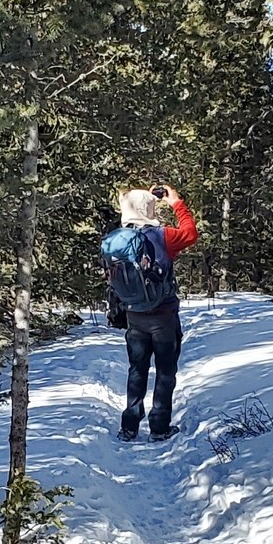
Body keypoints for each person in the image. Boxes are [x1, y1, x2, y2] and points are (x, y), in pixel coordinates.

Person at [103, 182, 199, 441]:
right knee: (165, 371)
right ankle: (159, 427)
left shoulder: (116, 240)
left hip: (134, 315)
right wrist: (177, 203)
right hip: (164, 315)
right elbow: (191, 234)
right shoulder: (164, 236)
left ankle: (130, 426)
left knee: (137, 368)